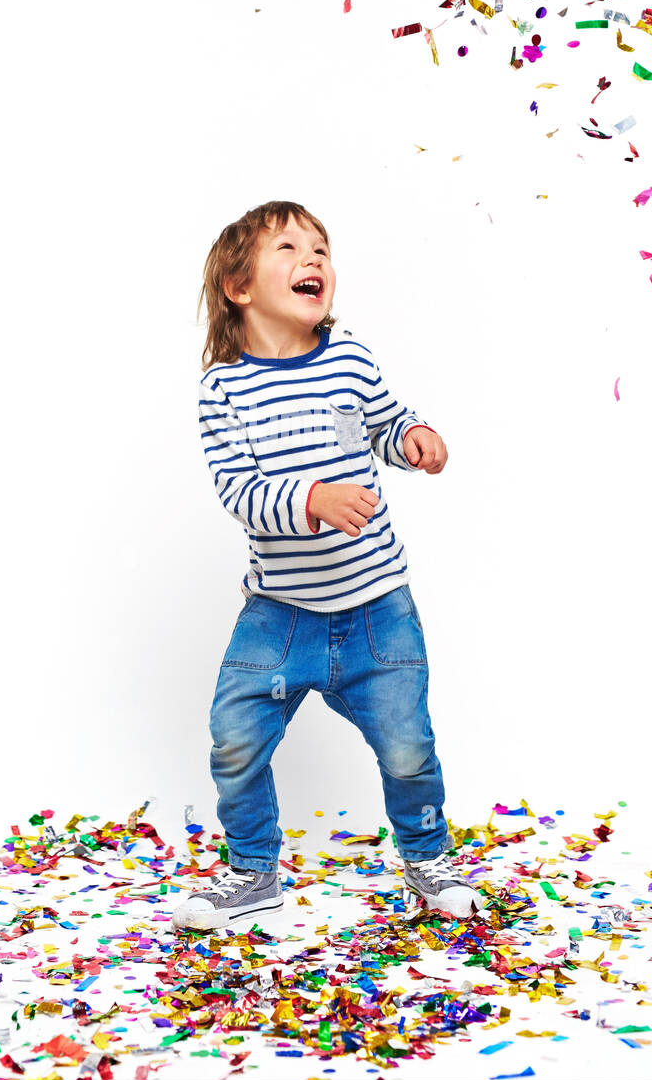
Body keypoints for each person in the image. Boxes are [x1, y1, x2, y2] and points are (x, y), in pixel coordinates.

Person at [172, 200, 483, 931]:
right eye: (289, 248)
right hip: (279, 616)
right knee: (235, 738)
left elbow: (381, 421)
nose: (313, 259)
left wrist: (413, 436)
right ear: (238, 287)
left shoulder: (349, 359)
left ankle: (428, 860)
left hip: (379, 608)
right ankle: (252, 873)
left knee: (409, 747)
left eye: (321, 249)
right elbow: (239, 493)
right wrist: (312, 497)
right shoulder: (224, 390)